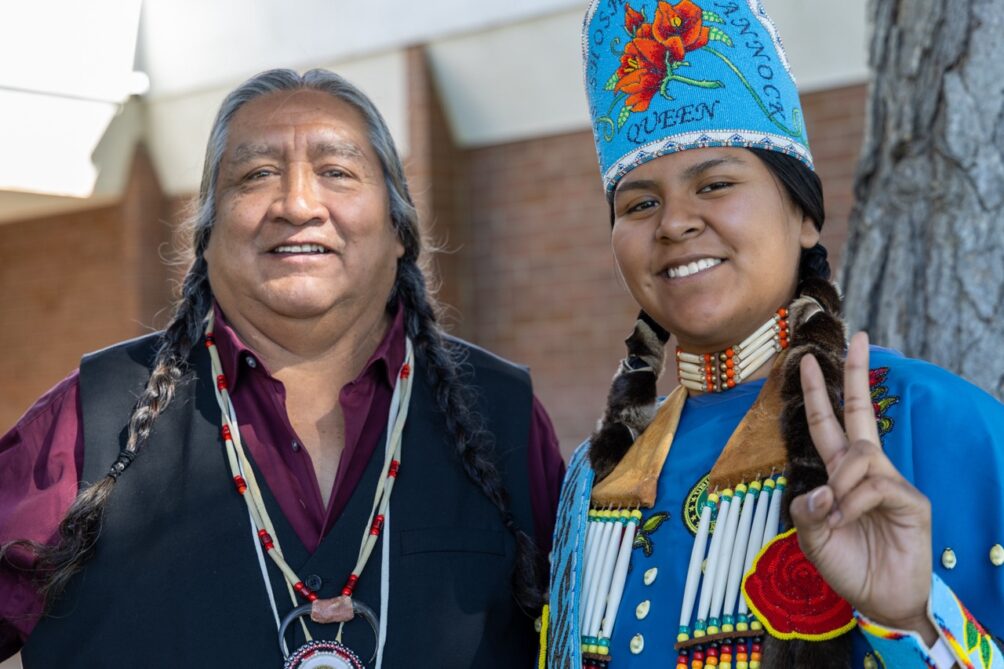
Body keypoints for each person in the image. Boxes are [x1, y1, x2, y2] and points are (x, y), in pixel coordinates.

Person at [0, 68, 565, 668]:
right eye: (258, 175)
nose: (297, 204)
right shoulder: (88, 425)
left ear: (400, 229)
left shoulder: (503, 417)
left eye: (337, 172)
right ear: (208, 234)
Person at [541, 1, 1004, 668]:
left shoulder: (934, 422)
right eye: (640, 203)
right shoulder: (596, 477)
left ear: (803, 214)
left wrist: (912, 622)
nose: (674, 223)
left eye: (716, 184)